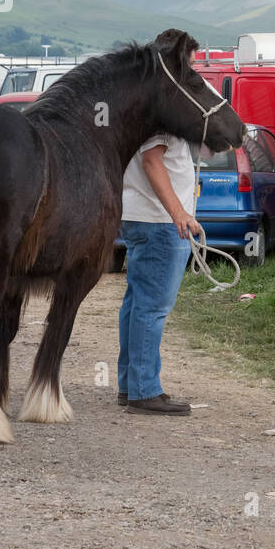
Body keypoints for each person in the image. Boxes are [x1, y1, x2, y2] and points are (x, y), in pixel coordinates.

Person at [117, 131, 203, 415]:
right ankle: (143, 390)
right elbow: (151, 160)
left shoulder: (146, 109)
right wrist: (179, 212)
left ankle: (132, 385)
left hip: (140, 214)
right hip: (160, 220)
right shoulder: (164, 116)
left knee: (137, 302)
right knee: (152, 306)